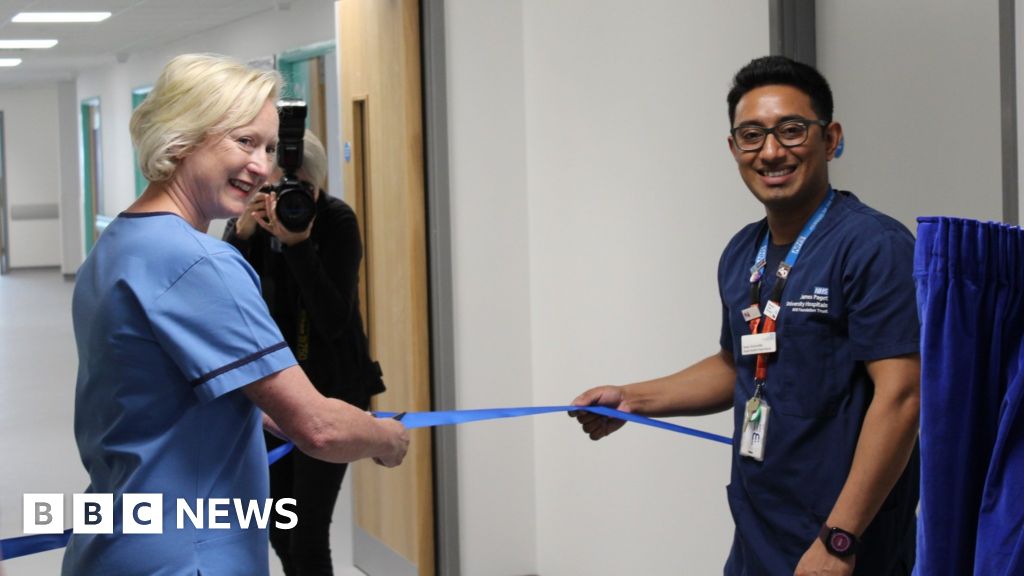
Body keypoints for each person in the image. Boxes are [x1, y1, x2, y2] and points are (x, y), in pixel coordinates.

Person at [571, 55, 920, 576]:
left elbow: (902, 397)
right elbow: (736, 364)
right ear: (733, 149)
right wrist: (631, 399)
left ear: (831, 139)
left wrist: (839, 541)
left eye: (792, 130)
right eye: (752, 135)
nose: (771, 151)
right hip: (761, 528)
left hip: (843, 538)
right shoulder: (743, 252)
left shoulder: (874, 246)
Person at [63, 53, 409, 576]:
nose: (262, 166)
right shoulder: (201, 262)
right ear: (183, 137)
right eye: (244, 141)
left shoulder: (117, 244)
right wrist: (385, 437)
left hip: (117, 544)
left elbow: (160, 392)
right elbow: (318, 428)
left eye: (269, 148)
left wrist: (258, 413)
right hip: (190, 556)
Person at [222, 129, 380, 575]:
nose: (289, 201)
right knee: (277, 524)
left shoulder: (335, 221)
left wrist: (299, 246)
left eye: (303, 189)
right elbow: (225, 306)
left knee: (308, 533)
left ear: (318, 185)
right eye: (274, 190)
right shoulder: (247, 225)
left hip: (333, 392)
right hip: (273, 394)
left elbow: (332, 319)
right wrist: (242, 237)